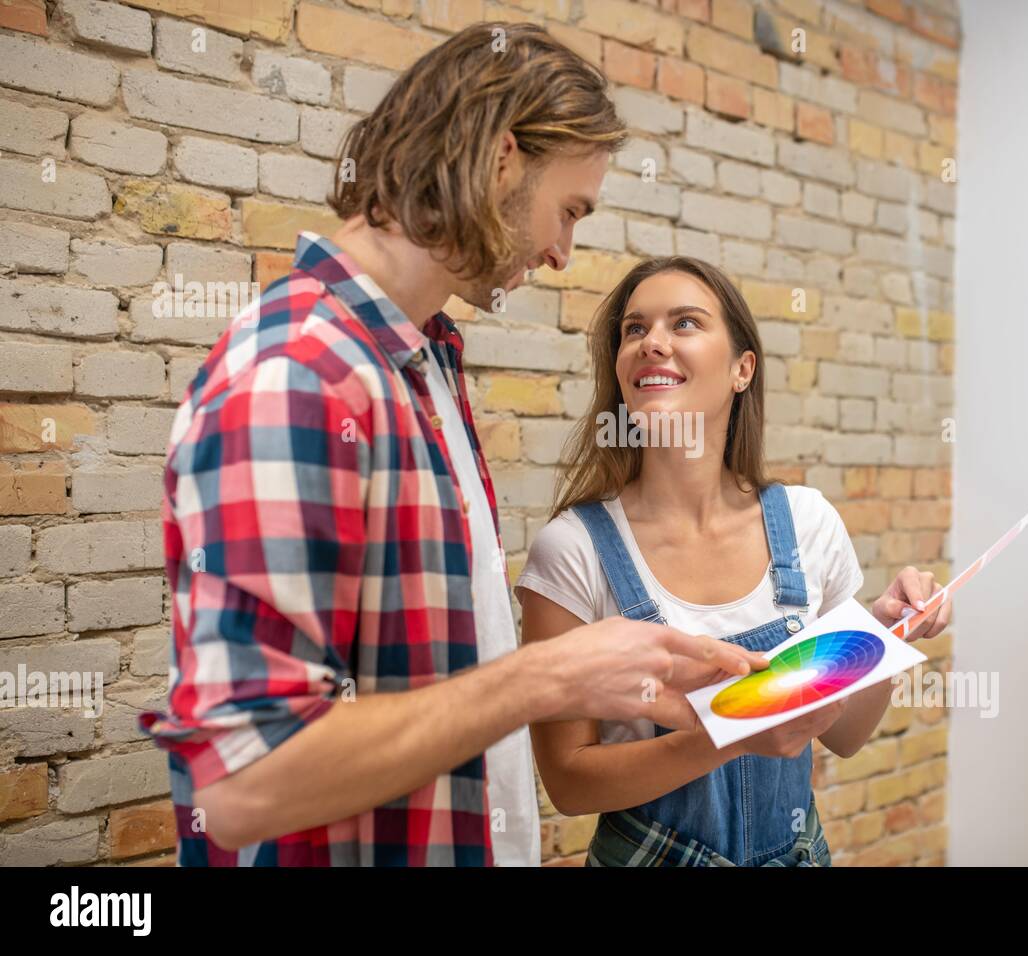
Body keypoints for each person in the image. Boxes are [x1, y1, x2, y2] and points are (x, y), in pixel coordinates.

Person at [140, 22, 767, 867]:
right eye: (569, 211)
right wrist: (550, 678)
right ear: (503, 159)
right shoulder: (300, 375)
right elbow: (248, 783)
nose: (559, 252)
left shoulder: (424, 361)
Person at [515, 256, 951, 866]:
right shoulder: (573, 551)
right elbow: (569, 783)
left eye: (685, 323)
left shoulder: (806, 522)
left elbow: (846, 736)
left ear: (742, 369)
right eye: (634, 330)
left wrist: (884, 633)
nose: (653, 343)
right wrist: (731, 733)